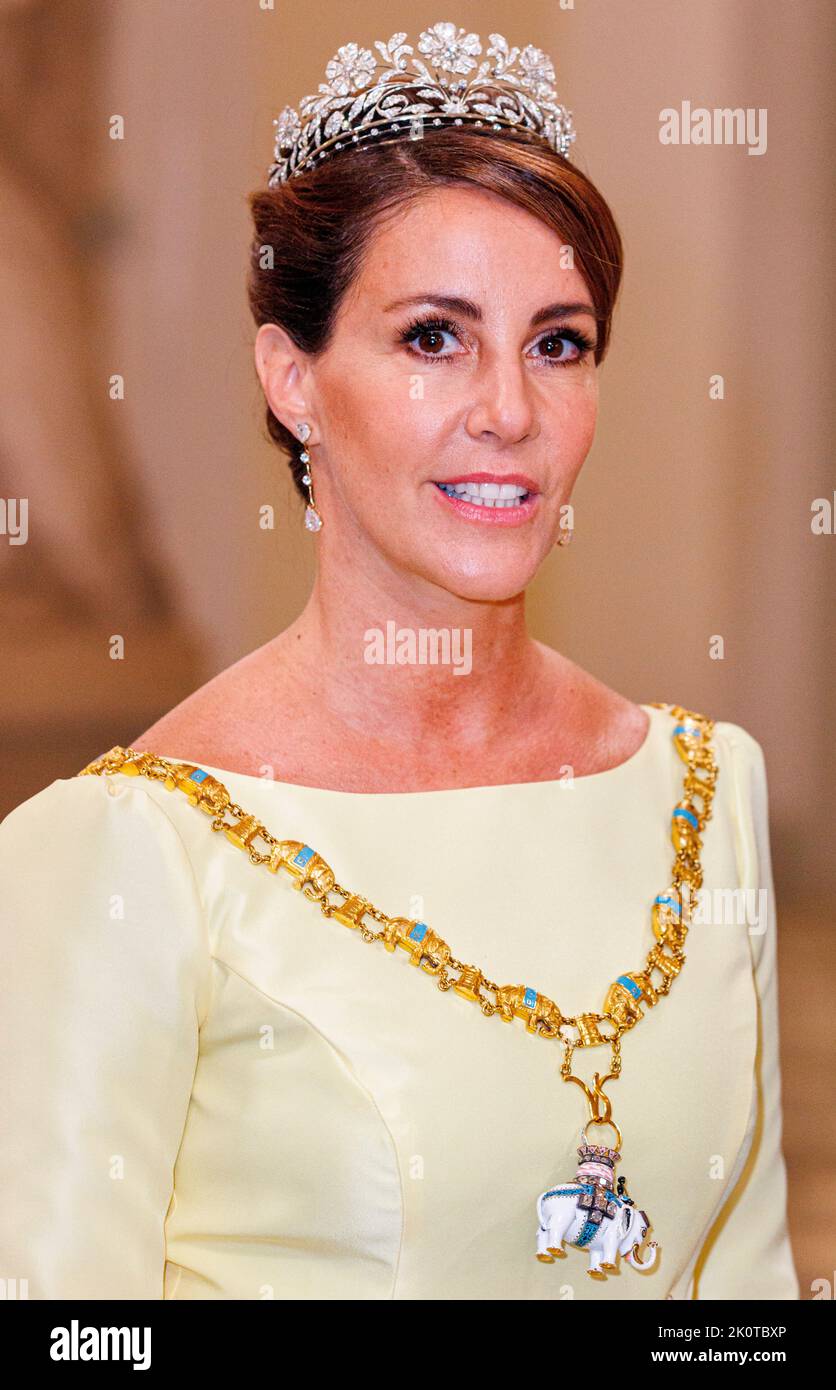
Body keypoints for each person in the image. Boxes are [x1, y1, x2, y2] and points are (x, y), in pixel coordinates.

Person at [0, 21, 799, 1300]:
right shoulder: (125, 850)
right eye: (433, 336)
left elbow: (739, 1299)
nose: (508, 410)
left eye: (557, 341)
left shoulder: (710, 798)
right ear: (292, 379)